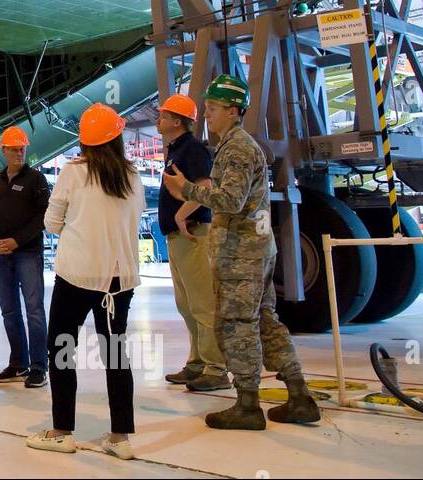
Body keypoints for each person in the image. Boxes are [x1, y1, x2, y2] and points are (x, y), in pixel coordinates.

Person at [163, 75, 321, 429]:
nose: (208, 115)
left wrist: (186, 190)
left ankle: (247, 404)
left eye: (214, 108)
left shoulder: (236, 148)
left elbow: (230, 201)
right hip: (258, 249)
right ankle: (299, 396)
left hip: (241, 255)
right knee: (265, 321)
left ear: (234, 111)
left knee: (237, 324)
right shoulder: (240, 146)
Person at [26, 104, 145, 460]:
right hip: (119, 281)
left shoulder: (73, 174)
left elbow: (51, 223)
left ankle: (62, 431)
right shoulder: (132, 176)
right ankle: (120, 436)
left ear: (86, 143)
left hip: (76, 276)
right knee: (115, 354)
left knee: (61, 348)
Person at [156, 93, 231, 392]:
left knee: (202, 302)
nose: (158, 119)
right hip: (180, 236)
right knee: (186, 304)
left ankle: (216, 368)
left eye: (163, 115)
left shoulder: (193, 148)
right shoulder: (176, 149)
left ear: (177, 121)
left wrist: (180, 216)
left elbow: (204, 185)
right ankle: (197, 361)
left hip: (193, 232)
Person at [0, 125, 51, 387]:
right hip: (1, 257)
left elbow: (43, 217)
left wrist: (16, 241)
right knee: (9, 312)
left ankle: (39, 367)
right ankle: (18, 363)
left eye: (22, 149)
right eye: (14, 149)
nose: (19, 153)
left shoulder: (36, 180)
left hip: (28, 254)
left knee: (34, 311)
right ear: (4, 151)